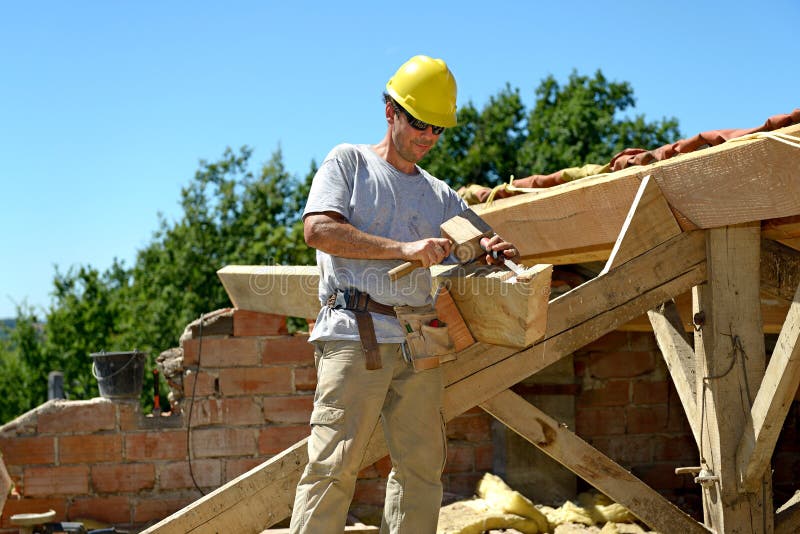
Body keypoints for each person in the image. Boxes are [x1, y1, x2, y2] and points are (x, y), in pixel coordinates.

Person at [289, 55, 518, 533]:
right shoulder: (349, 162)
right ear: (390, 110)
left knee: (421, 473)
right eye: (419, 123)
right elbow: (318, 230)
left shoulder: (440, 195)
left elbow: (475, 245)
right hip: (356, 333)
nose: (428, 137)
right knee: (332, 469)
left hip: (420, 340)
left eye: (438, 128)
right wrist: (404, 248)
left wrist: (491, 252)